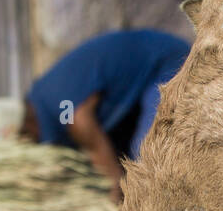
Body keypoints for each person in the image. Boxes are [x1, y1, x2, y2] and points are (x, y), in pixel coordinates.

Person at [17, 29, 190, 201]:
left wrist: (115, 196)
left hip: (167, 63)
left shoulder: (62, 107)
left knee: (145, 156)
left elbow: (83, 129)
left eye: (22, 139)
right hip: (139, 87)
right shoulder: (44, 100)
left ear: (27, 127)